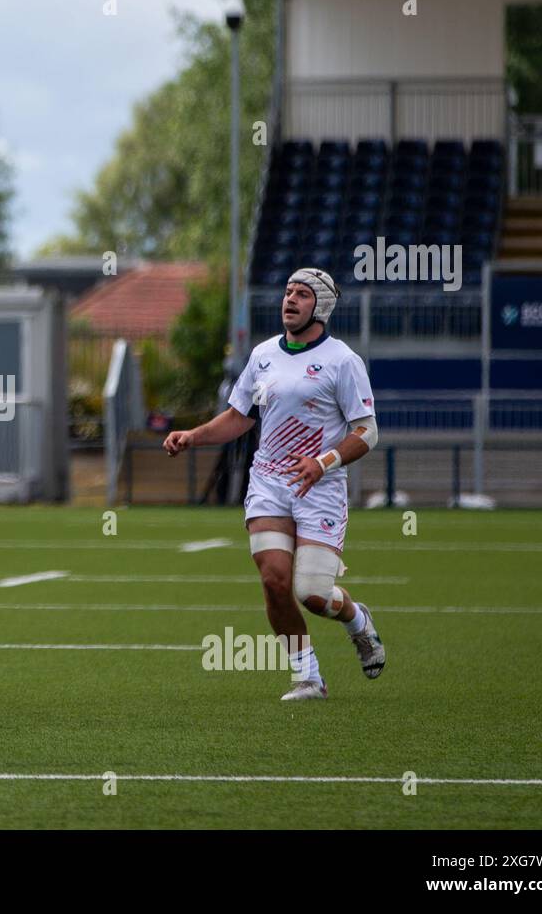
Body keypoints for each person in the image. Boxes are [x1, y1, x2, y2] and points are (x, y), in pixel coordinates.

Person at [163, 268, 386, 700]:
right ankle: (308, 677)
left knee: (312, 594)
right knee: (274, 581)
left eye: (302, 294)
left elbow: (367, 432)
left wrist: (323, 463)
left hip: (319, 487)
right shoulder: (264, 354)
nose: (290, 300)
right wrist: (194, 436)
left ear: (320, 307)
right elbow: (239, 416)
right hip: (268, 482)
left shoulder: (343, 360)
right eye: (287, 292)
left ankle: (358, 622)